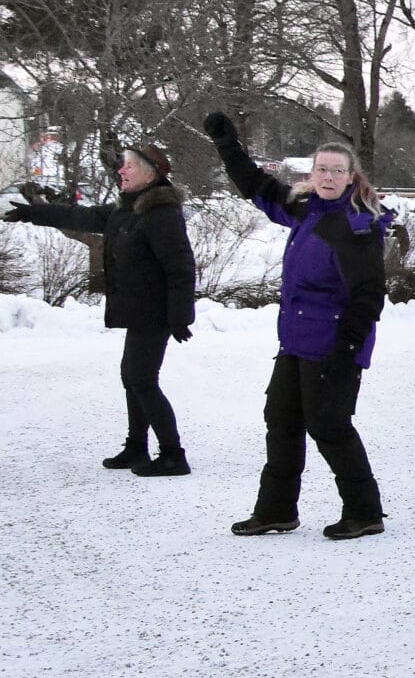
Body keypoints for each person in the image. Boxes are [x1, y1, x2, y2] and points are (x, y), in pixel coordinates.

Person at [202, 116, 390, 539]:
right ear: (312, 173)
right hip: (295, 341)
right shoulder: (306, 209)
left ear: (350, 176)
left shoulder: (356, 225)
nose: (328, 176)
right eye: (321, 169)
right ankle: (275, 510)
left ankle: (365, 512)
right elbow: (257, 187)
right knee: (281, 420)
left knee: (329, 425)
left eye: (337, 170)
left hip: (334, 345)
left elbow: (368, 296)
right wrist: (228, 146)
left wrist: (346, 352)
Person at [4, 140, 197, 475]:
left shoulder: (161, 215)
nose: (121, 171)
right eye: (123, 165)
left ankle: (173, 455)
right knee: (132, 377)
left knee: (142, 379)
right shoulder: (128, 209)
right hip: (139, 311)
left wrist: (179, 317)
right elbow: (80, 215)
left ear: (150, 175)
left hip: (155, 313)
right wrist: (34, 212)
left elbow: (181, 268)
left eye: (129, 166)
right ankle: (137, 447)